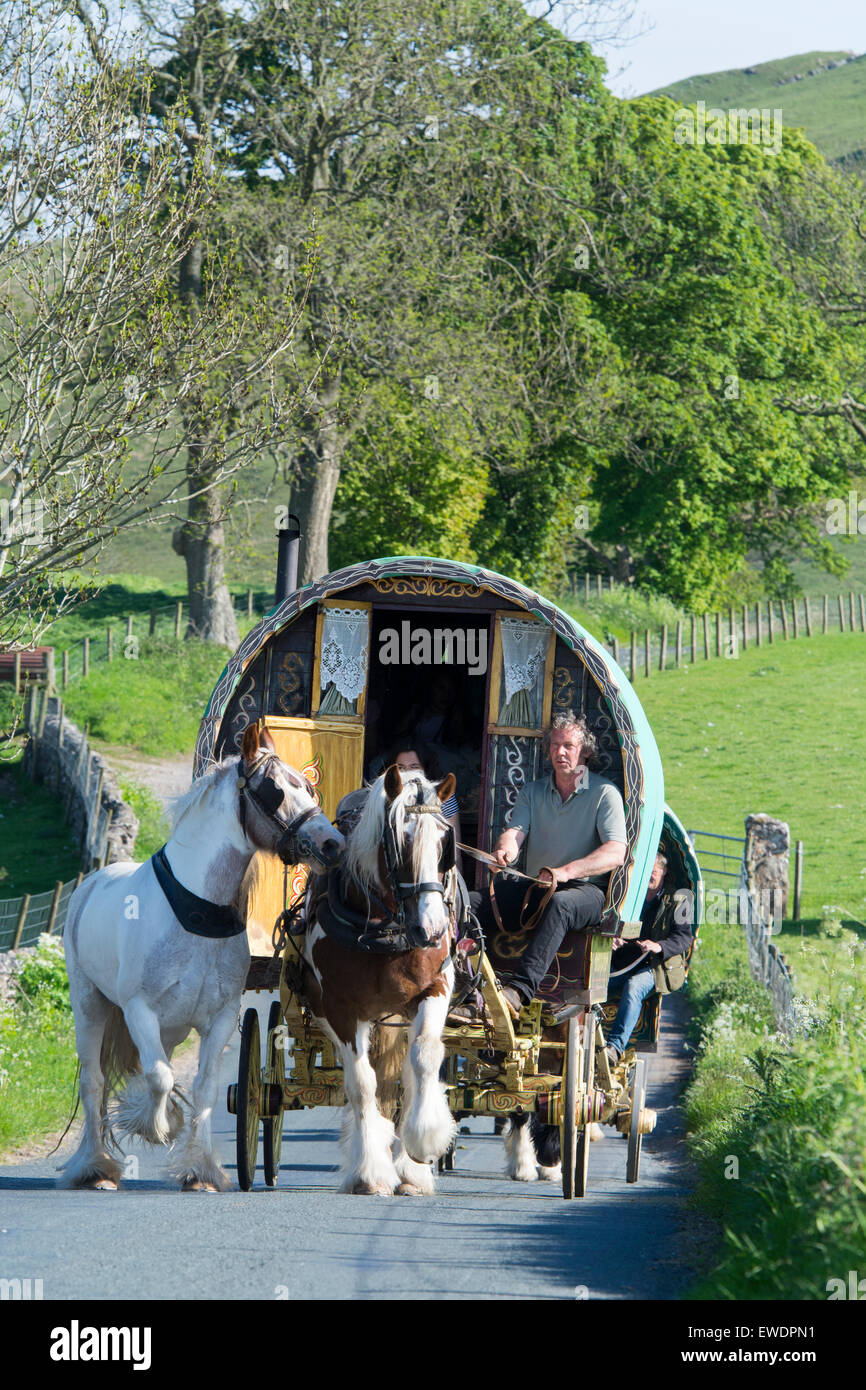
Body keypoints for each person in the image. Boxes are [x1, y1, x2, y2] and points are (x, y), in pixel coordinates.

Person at [469, 710, 627, 1021]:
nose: (560, 752)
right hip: (537, 886)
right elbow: (515, 833)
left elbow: (615, 853)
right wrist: (505, 851)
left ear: (585, 751)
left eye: (568, 745)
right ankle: (468, 985)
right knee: (469, 903)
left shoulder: (605, 793)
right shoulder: (533, 791)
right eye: (555, 746)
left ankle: (518, 991)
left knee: (560, 903)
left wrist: (565, 872)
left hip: (585, 892)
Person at [604, 852, 694, 1064]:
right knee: (595, 981)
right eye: (646, 871)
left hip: (656, 966)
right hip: (624, 961)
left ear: (664, 873)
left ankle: (614, 1048)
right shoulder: (627, 896)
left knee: (635, 987)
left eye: (653, 872)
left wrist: (658, 946)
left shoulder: (680, 900)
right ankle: (583, 1034)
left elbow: (683, 938)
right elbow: (611, 923)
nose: (649, 876)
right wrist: (613, 938)